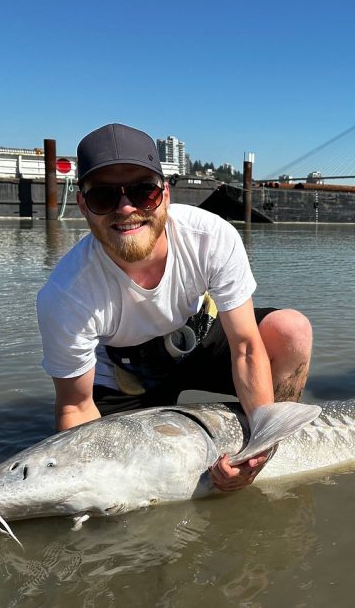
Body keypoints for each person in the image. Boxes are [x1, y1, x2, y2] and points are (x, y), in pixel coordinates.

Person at [37, 123, 313, 492]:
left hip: (195, 337)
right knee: (118, 475)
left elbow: (246, 348)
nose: (126, 208)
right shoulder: (66, 294)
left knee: (292, 329)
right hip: (126, 371)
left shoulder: (210, 237)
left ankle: (272, 444)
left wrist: (257, 450)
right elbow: (75, 405)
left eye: (142, 191)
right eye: (104, 197)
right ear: (83, 205)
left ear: (165, 194)